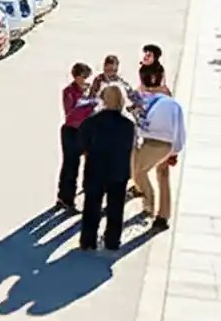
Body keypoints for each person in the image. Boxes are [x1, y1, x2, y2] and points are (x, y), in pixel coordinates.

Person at [78, 85, 138, 251]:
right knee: (115, 207)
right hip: (118, 171)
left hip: (95, 169)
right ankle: (112, 241)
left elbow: (81, 145)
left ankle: (88, 240)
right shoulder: (128, 125)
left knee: (91, 206)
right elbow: (131, 148)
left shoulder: (91, 122)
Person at [133, 68, 187, 231]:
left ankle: (149, 204)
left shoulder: (143, 100)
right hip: (168, 144)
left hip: (153, 142)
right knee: (163, 177)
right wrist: (175, 151)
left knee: (138, 172)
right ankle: (163, 215)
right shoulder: (173, 103)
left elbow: (139, 125)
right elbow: (180, 129)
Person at [58, 62, 96, 213]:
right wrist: (89, 105)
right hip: (72, 132)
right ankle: (65, 198)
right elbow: (71, 114)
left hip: (87, 132)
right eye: (84, 76)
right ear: (77, 76)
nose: (86, 80)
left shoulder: (88, 91)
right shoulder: (69, 92)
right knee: (70, 166)